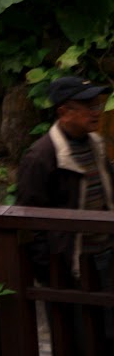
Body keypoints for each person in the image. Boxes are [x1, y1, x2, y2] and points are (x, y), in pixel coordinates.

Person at [18, 75, 114, 285]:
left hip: (107, 255)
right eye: (88, 106)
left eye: (97, 104)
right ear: (64, 112)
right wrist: (50, 272)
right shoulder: (41, 157)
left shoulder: (97, 145)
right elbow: (29, 222)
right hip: (71, 266)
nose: (96, 112)